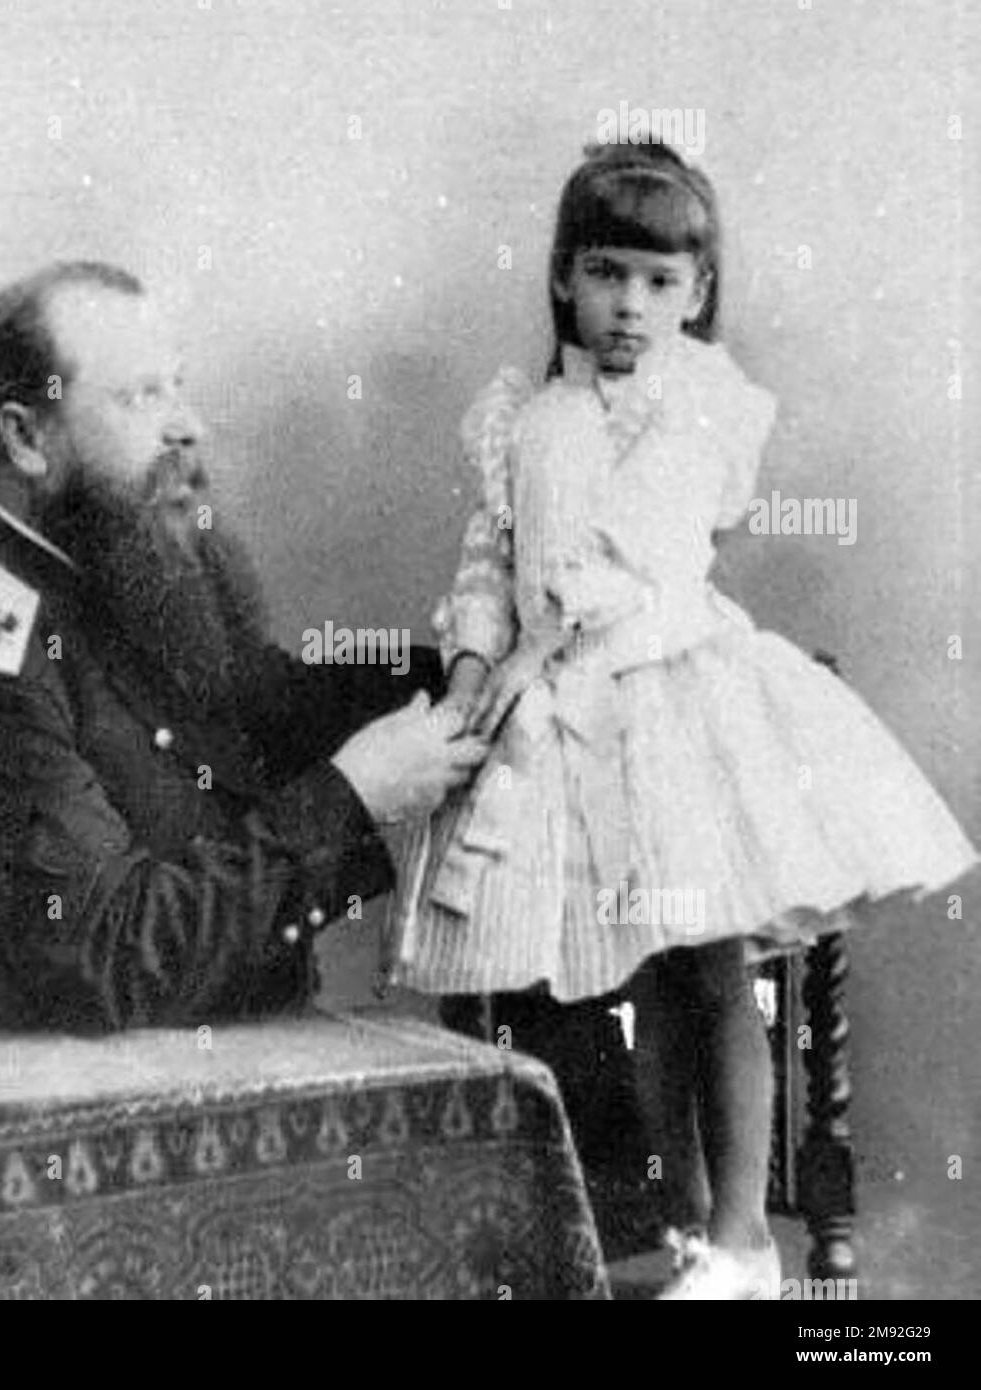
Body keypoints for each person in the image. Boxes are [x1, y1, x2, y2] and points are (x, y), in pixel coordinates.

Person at [388, 140, 977, 1298]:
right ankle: (692, 1221)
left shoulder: (704, 403)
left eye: (662, 282)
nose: (631, 304)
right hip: (564, 720)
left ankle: (753, 1233)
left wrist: (541, 648)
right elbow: (486, 565)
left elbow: (644, 556)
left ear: (699, 294)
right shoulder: (520, 415)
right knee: (639, 975)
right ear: (564, 277)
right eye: (609, 273)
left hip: (668, 697)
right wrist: (472, 666)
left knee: (709, 966)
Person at [0, 260, 487, 1040]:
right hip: (4, 1126)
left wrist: (472, 670)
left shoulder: (105, 550)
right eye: (139, 396)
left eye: (177, 386)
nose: (189, 425)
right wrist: (354, 797)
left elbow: (264, 703)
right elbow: (113, 956)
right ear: (24, 437)